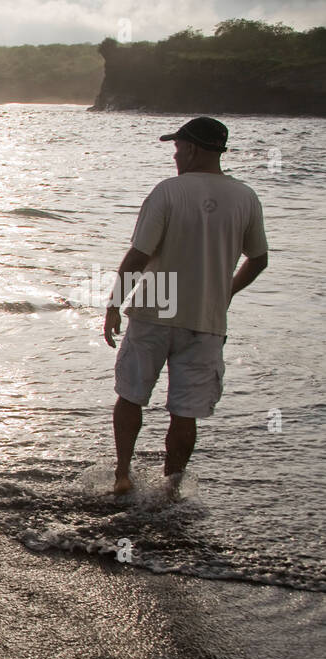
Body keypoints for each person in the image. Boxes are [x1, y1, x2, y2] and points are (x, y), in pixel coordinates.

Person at [103, 117, 268, 495]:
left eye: (178, 147)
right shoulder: (245, 197)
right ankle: (170, 488)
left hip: (154, 307)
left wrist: (114, 304)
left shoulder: (168, 192)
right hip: (206, 320)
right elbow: (258, 260)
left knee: (130, 394)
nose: (175, 154)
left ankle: (123, 475)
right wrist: (225, 292)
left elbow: (138, 256)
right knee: (186, 410)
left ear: (191, 149)